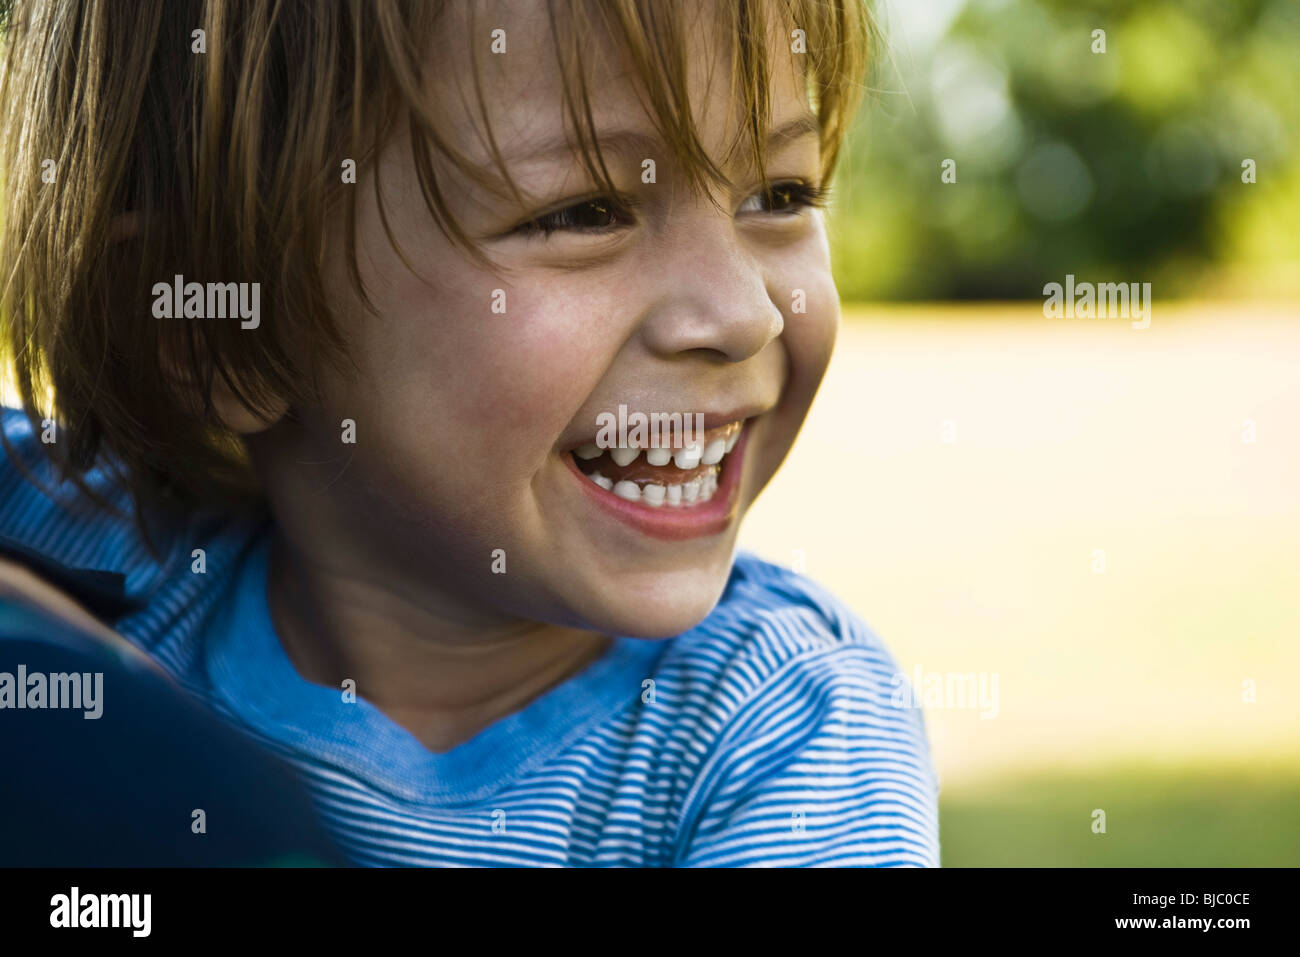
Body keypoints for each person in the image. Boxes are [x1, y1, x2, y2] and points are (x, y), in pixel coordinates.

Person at [0, 0, 939, 866]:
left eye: (779, 194)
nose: (744, 316)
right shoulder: (86, 548)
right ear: (217, 336)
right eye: (583, 213)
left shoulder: (783, 730)